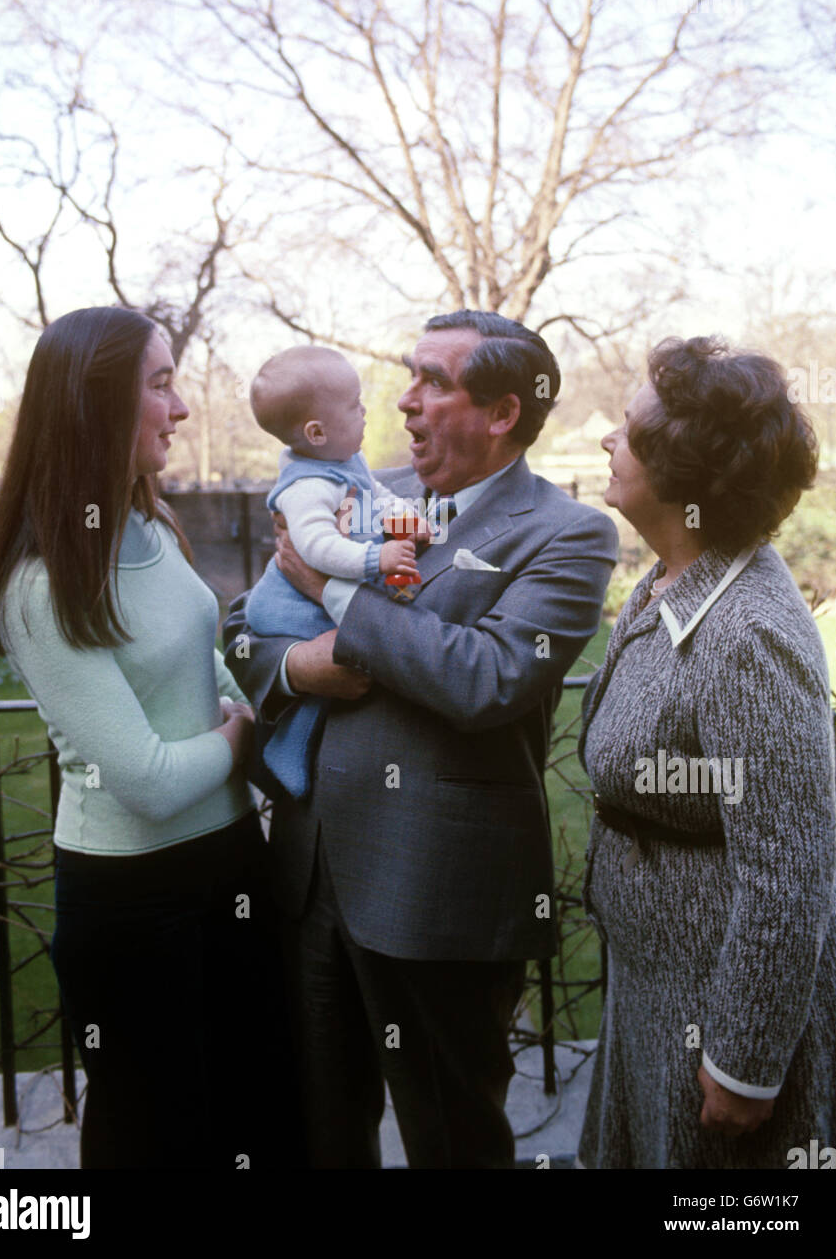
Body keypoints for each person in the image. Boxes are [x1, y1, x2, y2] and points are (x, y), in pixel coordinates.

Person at [224, 309, 619, 1168]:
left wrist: (335, 601)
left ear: (504, 411)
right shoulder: (363, 496)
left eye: (432, 382)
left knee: (453, 1139)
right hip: (311, 873)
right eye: (407, 377)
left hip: (438, 892)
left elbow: (488, 678)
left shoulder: (568, 534)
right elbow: (243, 626)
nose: (404, 402)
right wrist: (302, 669)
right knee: (322, 1130)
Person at [0, 306, 300, 1169]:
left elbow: (212, 671)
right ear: (96, 405)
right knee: (160, 1136)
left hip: (234, 864)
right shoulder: (41, 587)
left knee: (259, 1111)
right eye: (161, 386)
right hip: (134, 900)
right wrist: (237, 743)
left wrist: (252, 711)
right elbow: (146, 781)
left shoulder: (153, 530)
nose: (181, 408)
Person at [576, 334, 836, 1169]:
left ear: (681, 470)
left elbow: (790, 868)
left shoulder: (747, 634)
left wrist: (745, 1062)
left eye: (625, 429)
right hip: (660, 983)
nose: (606, 441)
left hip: (717, 1004)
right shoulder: (674, 580)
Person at [245, 345, 424, 798]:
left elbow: (377, 496)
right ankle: (285, 753)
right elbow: (315, 547)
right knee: (327, 675)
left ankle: (288, 751)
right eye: (354, 405)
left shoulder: (345, 464)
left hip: (315, 600)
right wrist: (375, 560)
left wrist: (407, 519)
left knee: (339, 661)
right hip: (288, 609)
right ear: (317, 432)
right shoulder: (306, 487)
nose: (366, 411)